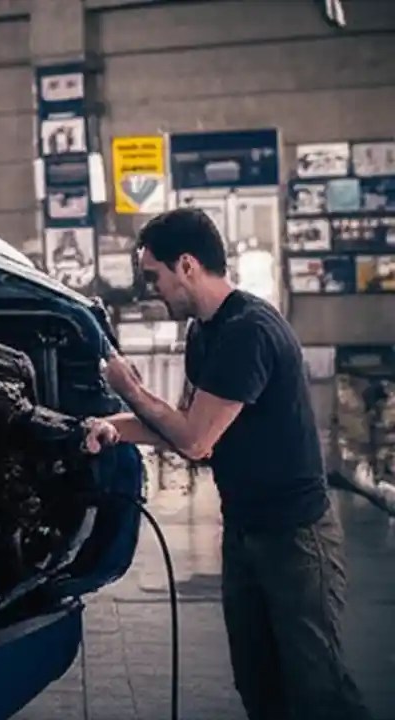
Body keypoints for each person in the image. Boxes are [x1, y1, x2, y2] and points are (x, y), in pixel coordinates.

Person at [96, 208, 369, 720]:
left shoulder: (249, 331)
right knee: (259, 686)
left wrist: (130, 389)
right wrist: (112, 427)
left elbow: (196, 442)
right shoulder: (205, 334)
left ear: (187, 265)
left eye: (153, 274)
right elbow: (184, 424)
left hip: (295, 539)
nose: (150, 287)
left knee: (318, 693)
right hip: (245, 532)